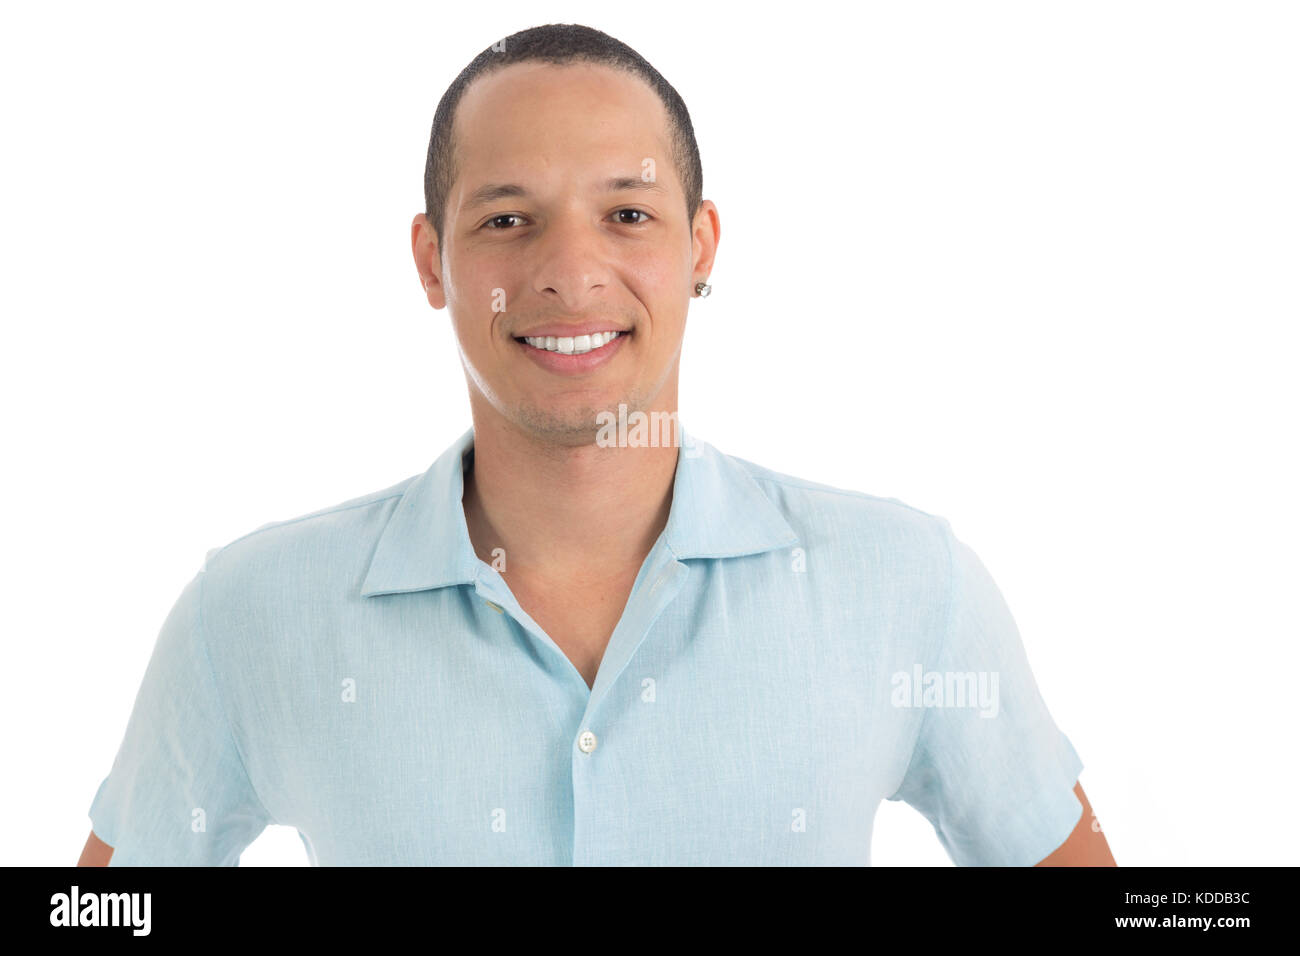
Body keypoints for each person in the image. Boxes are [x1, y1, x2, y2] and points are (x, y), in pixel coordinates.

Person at [79, 23, 1114, 866]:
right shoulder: (250, 611)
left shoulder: (906, 586)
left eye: (626, 212)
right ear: (431, 259)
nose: (571, 273)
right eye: (507, 220)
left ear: (698, 246)